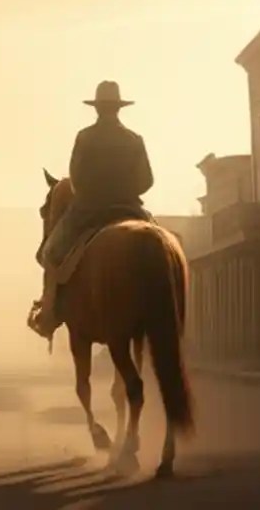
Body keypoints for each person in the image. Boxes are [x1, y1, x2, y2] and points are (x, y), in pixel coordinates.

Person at [30, 81, 155, 338]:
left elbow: (76, 178)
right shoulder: (134, 139)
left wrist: (92, 192)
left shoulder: (85, 137)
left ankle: (49, 314)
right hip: (130, 208)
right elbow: (147, 181)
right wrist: (126, 191)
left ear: (97, 109)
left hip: (89, 208)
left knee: (50, 252)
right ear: (118, 108)